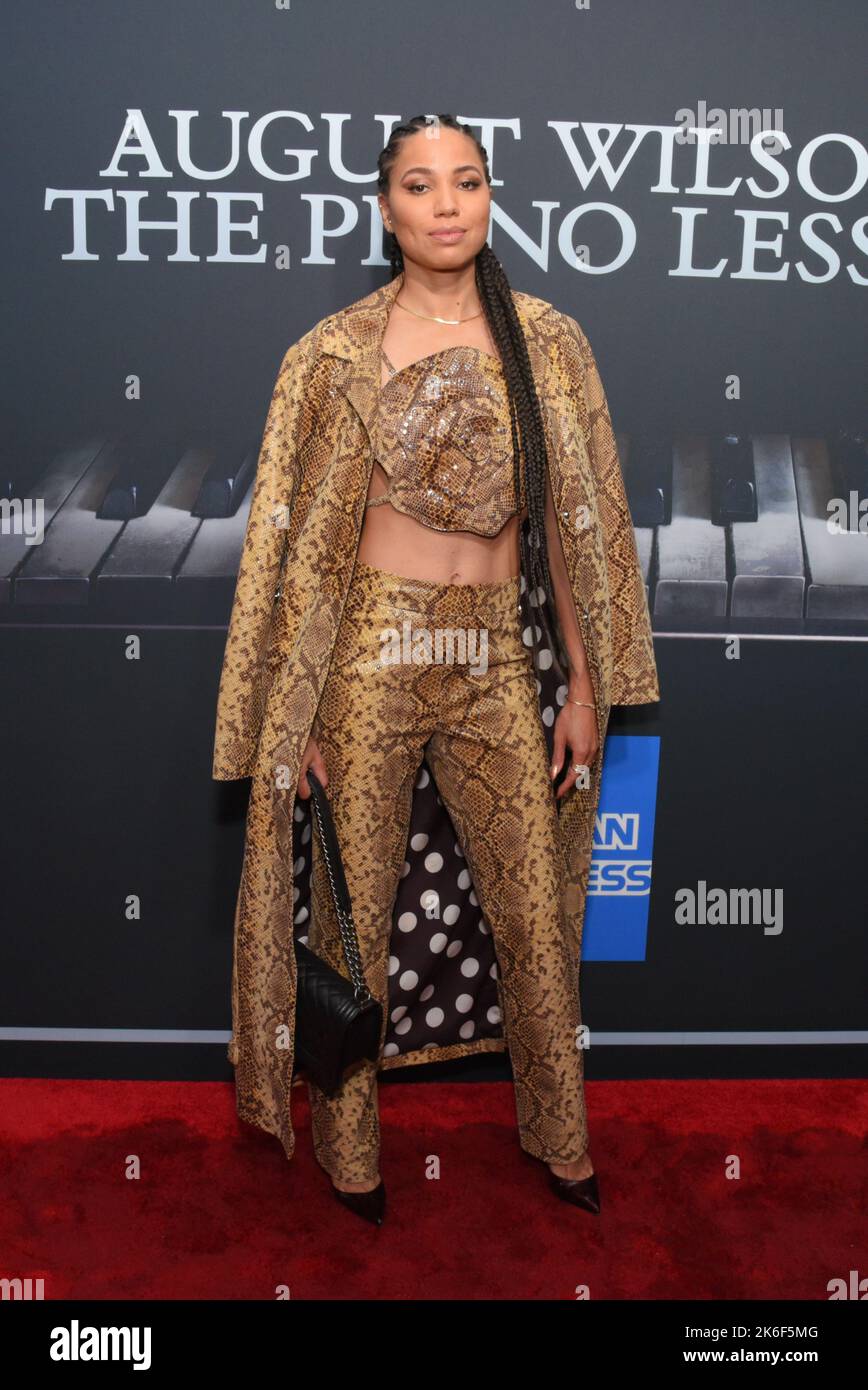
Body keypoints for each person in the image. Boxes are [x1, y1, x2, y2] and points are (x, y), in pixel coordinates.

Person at [212, 113, 660, 1227]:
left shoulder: (547, 341)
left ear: (491, 196)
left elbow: (572, 526)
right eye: (420, 184)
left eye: (466, 181)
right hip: (367, 654)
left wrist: (586, 687)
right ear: (385, 208)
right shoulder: (328, 353)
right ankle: (349, 1151)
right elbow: (282, 550)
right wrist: (295, 709)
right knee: (350, 912)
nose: (447, 203)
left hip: (493, 651)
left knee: (536, 913)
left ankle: (560, 1137)